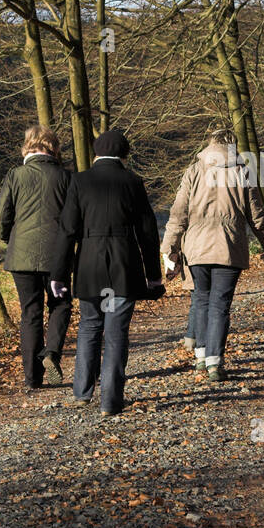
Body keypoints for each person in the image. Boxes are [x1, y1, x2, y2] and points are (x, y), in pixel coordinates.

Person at [48, 129, 164, 416]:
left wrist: (58, 274)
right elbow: (148, 232)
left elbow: (67, 231)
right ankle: (110, 401)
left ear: (96, 153)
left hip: (88, 264)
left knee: (89, 326)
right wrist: (153, 274)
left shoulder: (79, 181)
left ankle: (81, 391)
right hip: (124, 266)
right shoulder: (134, 182)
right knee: (115, 333)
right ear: (124, 154)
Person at [162, 127, 264, 381]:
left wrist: (169, 248)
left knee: (201, 299)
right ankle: (215, 361)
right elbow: (256, 214)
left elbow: (178, 212)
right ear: (232, 145)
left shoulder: (194, 171)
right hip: (229, 246)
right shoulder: (242, 171)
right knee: (220, 304)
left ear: (210, 144)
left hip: (196, 247)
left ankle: (202, 356)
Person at [0, 125, 72, 389]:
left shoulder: (15, 175)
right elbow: (74, 219)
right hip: (57, 254)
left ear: (27, 147)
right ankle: (51, 352)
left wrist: (8, 237)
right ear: (54, 148)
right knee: (60, 305)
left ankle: (32, 378)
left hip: (21, 255)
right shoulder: (65, 177)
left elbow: (1, 214)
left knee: (30, 313)